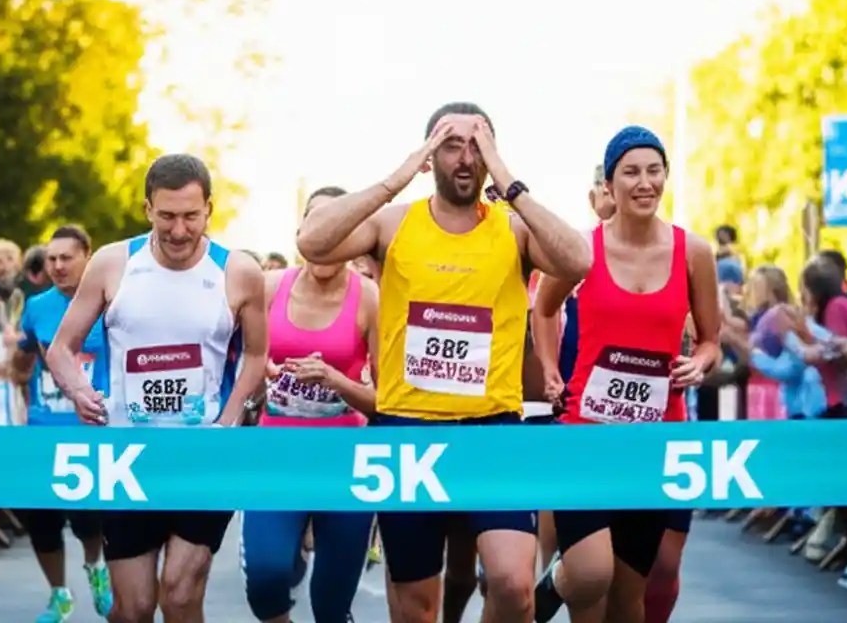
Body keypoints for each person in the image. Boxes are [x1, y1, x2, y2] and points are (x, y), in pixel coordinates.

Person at [295, 102, 592, 623]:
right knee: (417, 607)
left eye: (479, 145)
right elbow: (312, 242)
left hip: (492, 428)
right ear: (430, 154)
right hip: (408, 429)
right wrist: (396, 177)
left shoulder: (512, 228)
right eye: (451, 143)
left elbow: (578, 260)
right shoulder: (394, 223)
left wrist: (510, 181)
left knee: (513, 586)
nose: (466, 156)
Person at [45, 153, 267, 623]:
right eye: (167, 216)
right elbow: (62, 348)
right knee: (134, 608)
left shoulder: (238, 271)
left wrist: (227, 424)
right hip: (129, 456)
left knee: (181, 595)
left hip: (203, 455)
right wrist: (79, 390)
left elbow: (255, 355)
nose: (179, 230)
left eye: (190, 216)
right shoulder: (112, 264)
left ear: (209, 208)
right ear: (148, 209)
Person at [532, 126, 721, 623]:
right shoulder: (582, 250)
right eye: (631, 172)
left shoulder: (693, 252)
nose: (644, 183)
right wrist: (552, 369)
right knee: (592, 574)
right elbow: (543, 308)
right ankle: (559, 578)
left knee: (627, 595)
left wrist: (697, 364)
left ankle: (560, 583)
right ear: (610, 184)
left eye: (654, 171)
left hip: (655, 440)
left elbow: (711, 341)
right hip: (586, 435)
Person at [240, 186, 378, 623]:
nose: (324, 239)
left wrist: (337, 381)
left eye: (337, 229)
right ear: (300, 233)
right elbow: (238, 363)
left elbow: (388, 400)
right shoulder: (267, 288)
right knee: (264, 580)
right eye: (315, 226)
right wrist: (258, 374)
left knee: (331, 604)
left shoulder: (370, 297)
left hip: (345, 462)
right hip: (276, 455)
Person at [11, 225, 112, 623]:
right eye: (50, 259)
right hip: (44, 424)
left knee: (88, 515)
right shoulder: (37, 307)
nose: (56, 265)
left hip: (91, 423)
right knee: (40, 516)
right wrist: (20, 383)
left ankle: (96, 567)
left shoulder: (110, 300)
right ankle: (59, 595)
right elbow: (27, 356)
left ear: (88, 255)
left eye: (66, 257)